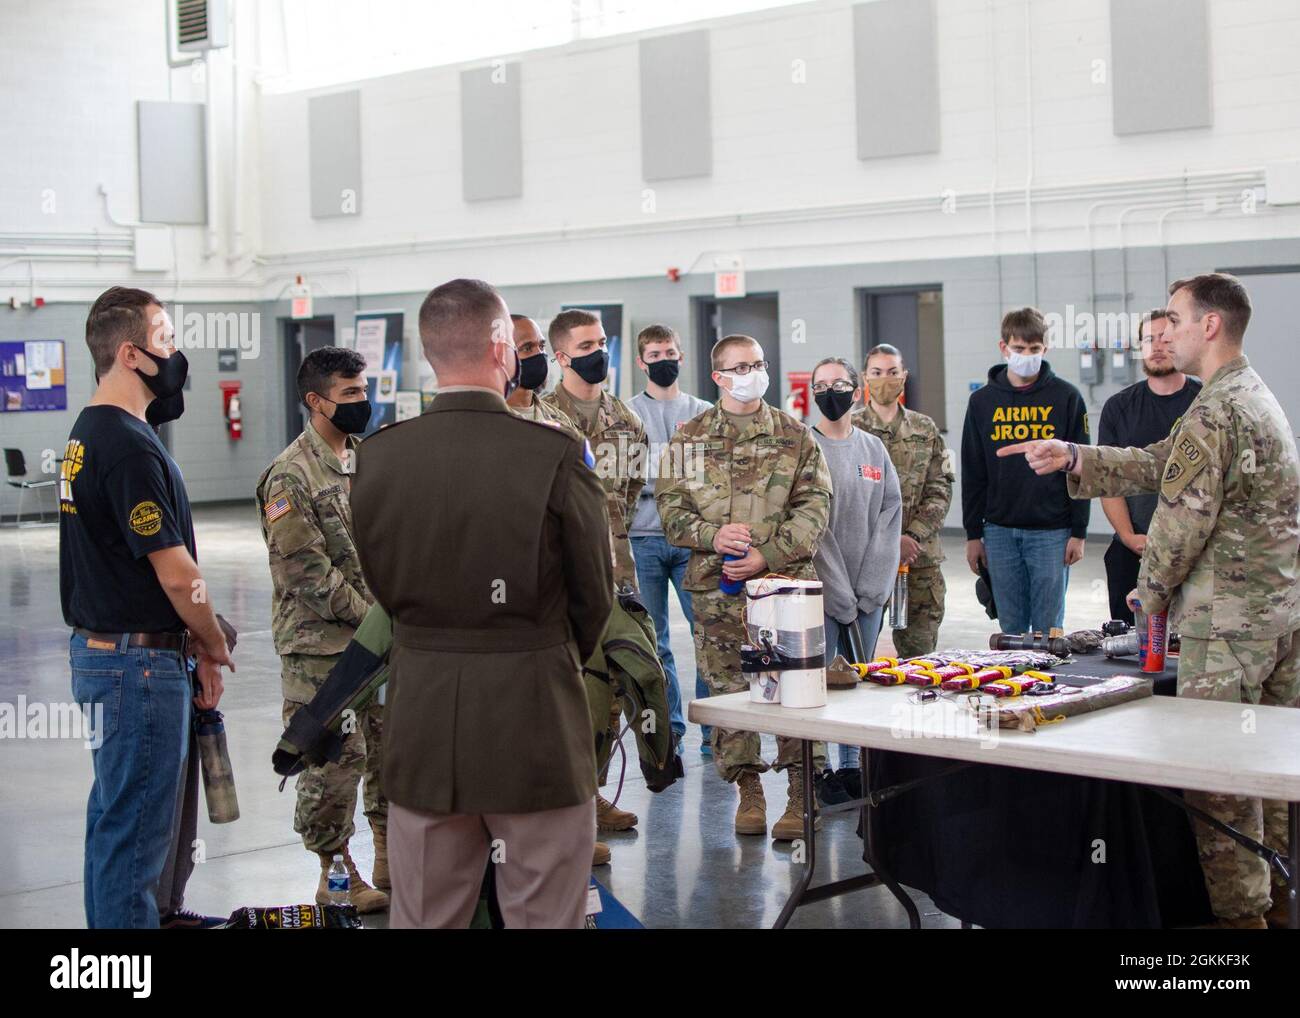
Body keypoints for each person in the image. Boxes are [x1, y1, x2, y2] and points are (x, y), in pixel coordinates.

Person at [999, 273, 1300, 930]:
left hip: (1227, 628)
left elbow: (1179, 517)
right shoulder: (1249, 394)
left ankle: (1242, 923)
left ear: (1210, 325)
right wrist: (1074, 454)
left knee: (1220, 781)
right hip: (1277, 621)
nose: (1168, 331)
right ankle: (1278, 906)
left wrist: (1151, 592)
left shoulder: (1218, 408)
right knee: (1270, 779)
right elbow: (1162, 461)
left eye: (1177, 318)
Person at [350, 278, 613, 928]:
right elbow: (594, 597)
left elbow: (383, 588)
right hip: (535, 721)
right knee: (544, 914)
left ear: (427, 351)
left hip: (424, 724)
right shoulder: (553, 456)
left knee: (425, 917)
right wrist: (542, 652)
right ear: (502, 346)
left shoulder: (378, 461)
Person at [61, 286, 233, 928]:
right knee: (134, 838)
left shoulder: (90, 429)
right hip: (135, 667)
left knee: (115, 824)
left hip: (109, 655)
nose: (176, 352)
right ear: (130, 354)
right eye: (165, 339)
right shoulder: (130, 445)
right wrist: (212, 639)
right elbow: (175, 571)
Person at [657, 334, 832, 841]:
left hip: (786, 590)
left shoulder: (794, 435)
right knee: (732, 691)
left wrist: (767, 554)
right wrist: (713, 536)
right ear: (717, 377)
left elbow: (816, 506)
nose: (751, 372)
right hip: (718, 593)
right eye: (739, 366)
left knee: (795, 690)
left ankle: (801, 793)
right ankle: (749, 791)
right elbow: (670, 512)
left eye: (757, 364)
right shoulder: (689, 438)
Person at [256, 347, 388, 913]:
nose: (363, 402)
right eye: (350, 394)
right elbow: (307, 573)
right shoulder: (290, 475)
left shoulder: (371, 460)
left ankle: (389, 855)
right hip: (323, 647)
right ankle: (335, 877)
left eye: (365, 390)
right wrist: (376, 620)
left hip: (382, 640)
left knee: (390, 754)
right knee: (334, 762)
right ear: (316, 401)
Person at [541, 308, 648, 837]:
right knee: (566, 698)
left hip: (614, 578)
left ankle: (594, 793)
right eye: (586, 345)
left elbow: (622, 505)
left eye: (602, 342)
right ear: (561, 356)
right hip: (557, 587)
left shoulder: (627, 422)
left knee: (609, 694)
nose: (599, 352)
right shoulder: (537, 421)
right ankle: (568, 808)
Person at [961, 307, 1090, 634]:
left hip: (1052, 531)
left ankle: (1047, 685)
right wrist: (973, 534)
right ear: (1004, 348)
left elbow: (1082, 468)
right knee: (1011, 629)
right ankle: (1013, 683)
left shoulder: (1067, 397)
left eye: (1034, 350)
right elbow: (973, 472)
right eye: (1019, 349)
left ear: (1045, 349)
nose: (1027, 356)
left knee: (1049, 630)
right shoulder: (982, 403)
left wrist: (1080, 531)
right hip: (999, 532)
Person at [810, 357, 902, 803]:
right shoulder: (805, 448)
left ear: (856, 390)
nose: (831, 391)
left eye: (839, 383)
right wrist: (836, 590)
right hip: (822, 592)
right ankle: (821, 769)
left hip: (868, 595)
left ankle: (853, 768)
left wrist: (870, 586)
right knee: (822, 681)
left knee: (860, 682)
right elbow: (813, 526)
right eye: (821, 384)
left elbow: (889, 513)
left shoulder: (874, 449)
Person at [628, 325, 713, 758]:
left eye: (670, 352)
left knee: (706, 636)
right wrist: (676, 477)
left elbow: (710, 481)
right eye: (655, 354)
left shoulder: (703, 413)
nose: (664, 360)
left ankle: (712, 734)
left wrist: (659, 477)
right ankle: (672, 728)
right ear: (641, 362)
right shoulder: (626, 414)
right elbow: (626, 479)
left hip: (692, 542)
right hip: (641, 541)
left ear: (682, 356)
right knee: (654, 641)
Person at [1097, 310, 1201, 624]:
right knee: (1128, 650)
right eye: (1147, 339)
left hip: (1193, 553)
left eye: (1165, 338)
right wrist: (1128, 536)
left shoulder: (1205, 401)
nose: (1156, 346)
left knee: (1186, 647)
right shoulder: (1119, 407)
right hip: (1132, 551)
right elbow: (1108, 482)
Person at [852, 343, 954, 658]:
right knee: (857, 657)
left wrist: (912, 536)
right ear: (864, 378)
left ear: (904, 376)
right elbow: (846, 498)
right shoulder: (851, 428)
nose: (886, 380)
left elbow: (941, 486)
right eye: (877, 373)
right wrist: (887, 540)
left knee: (919, 656)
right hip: (864, 562)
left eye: (893, 372)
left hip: (918, 560)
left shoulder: (925, 428)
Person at [504, 314, 579, 433]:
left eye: (541, 346)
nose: (540, 354)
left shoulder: (561, 422)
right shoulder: (483, 421)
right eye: (527, 348)